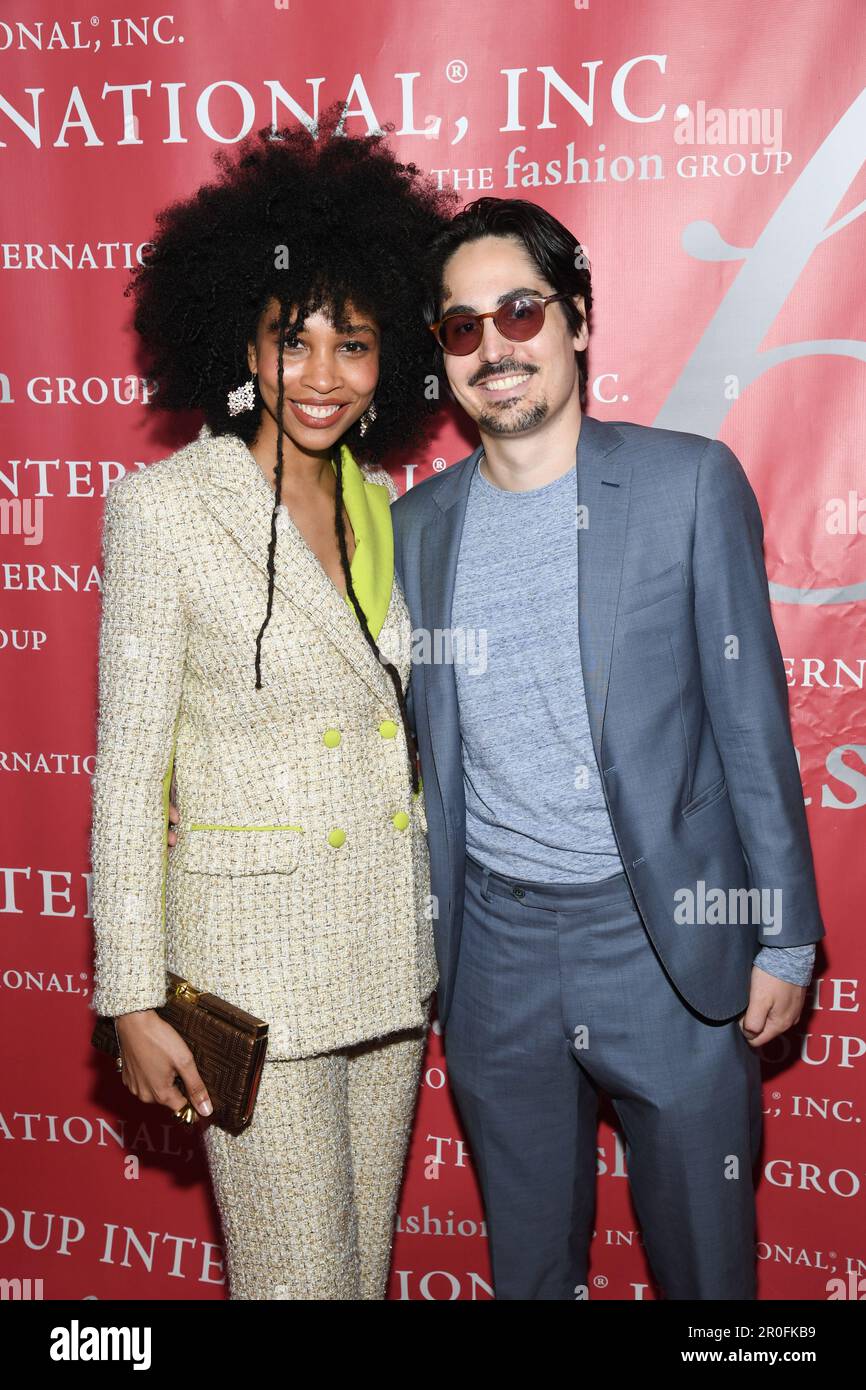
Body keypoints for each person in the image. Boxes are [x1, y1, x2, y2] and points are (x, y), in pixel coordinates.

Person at [390, 197, 826, 1300]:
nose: (494, 345)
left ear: (577, 321)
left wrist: (782, 935)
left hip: (662, 943)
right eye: (460, 326)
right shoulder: (413, 528)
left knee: (706, 1270)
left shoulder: (687, 484)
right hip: (491, 953)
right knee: (529, 1269)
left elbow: (749, 723)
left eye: (520, 311)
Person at [89, 115, 456, 1300]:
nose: (320, 376)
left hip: (382, 958)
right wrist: (129, 995)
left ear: (383, 359)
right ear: (242, 344)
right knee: (296, 1286)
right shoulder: (166, 510)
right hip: (254, 972)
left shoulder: (379, 505)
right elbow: (130, 767)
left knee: (357, 1275)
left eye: (352, 346)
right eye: (292, 341)